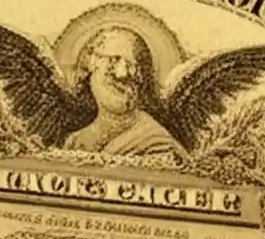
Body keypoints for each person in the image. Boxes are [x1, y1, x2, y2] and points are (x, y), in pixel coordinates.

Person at [62, 26, 187, 159]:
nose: (122, 74)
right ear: (92, 61)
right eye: (114, 60)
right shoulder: (75, 141)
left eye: (133, 66)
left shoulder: (159, 147)